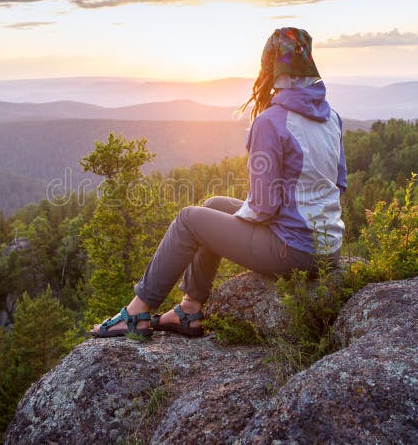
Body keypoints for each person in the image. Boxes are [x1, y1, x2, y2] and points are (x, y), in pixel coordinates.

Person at [90, 27, 347, 338]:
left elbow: (264, 207)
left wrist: (245, 221)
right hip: (326, 248)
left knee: (189, 220)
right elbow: (339, 183)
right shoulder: (331, 117)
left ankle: (137, 313)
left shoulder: (271, 121)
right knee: (213, 206)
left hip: (295, 251)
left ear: (270, 67)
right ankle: (190, 309)